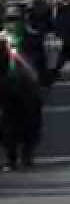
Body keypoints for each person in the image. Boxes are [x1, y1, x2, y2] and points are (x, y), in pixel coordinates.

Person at [0, 36, 43, 170]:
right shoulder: (16, 55)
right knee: (21, 126)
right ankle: (21, 156)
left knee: (14, 126)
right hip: (18, 92)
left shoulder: (15, 55)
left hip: (19, 92)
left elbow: (32, 74)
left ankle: (19, 157)